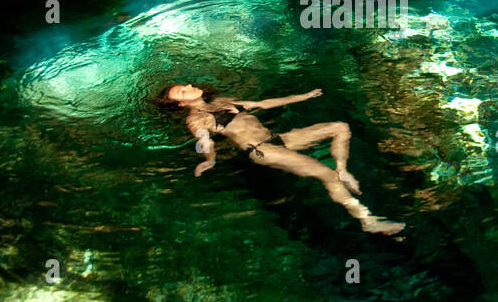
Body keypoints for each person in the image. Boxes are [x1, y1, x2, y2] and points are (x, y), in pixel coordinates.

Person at [155, 83, 405, 235]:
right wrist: (209, 160)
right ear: (179, 105)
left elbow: (264, 104)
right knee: (324, 174)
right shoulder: (196, 119)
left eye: (185, 85)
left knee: (340, 127)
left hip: (279, 139)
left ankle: (343, 169)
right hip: (262, 150)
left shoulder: (222, 101)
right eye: (182, 91)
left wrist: (303, 97)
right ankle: (366, 219)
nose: (189, 86)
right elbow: (204, 141)